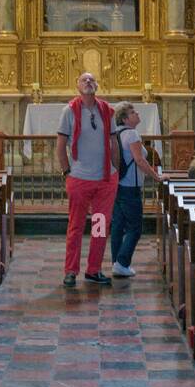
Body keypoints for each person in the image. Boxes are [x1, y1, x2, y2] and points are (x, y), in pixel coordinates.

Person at [56, 72, 120, 288]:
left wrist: (115, 170)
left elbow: (114, 142)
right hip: (80, 178)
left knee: (100, 226)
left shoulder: (106, 111)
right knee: (75, 226)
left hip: (104, 179)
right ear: (77, 86)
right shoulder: (69, 111)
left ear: (97, 86)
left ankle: (94, 269)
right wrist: (67, 172)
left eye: (92, 80)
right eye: (84, 80)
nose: (89, 82)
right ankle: (70, 270)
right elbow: (60, 145)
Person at [109, 103, 162, 279]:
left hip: (118, 185)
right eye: (132, 112)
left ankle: (116, 262)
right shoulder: (132, 134)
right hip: (131, 186)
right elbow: (140, 160)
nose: (137, 113)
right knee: (135, 228)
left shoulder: (116, 133)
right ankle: (122, 263)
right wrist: (157, 177)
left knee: (118, 226)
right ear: (125, 118)